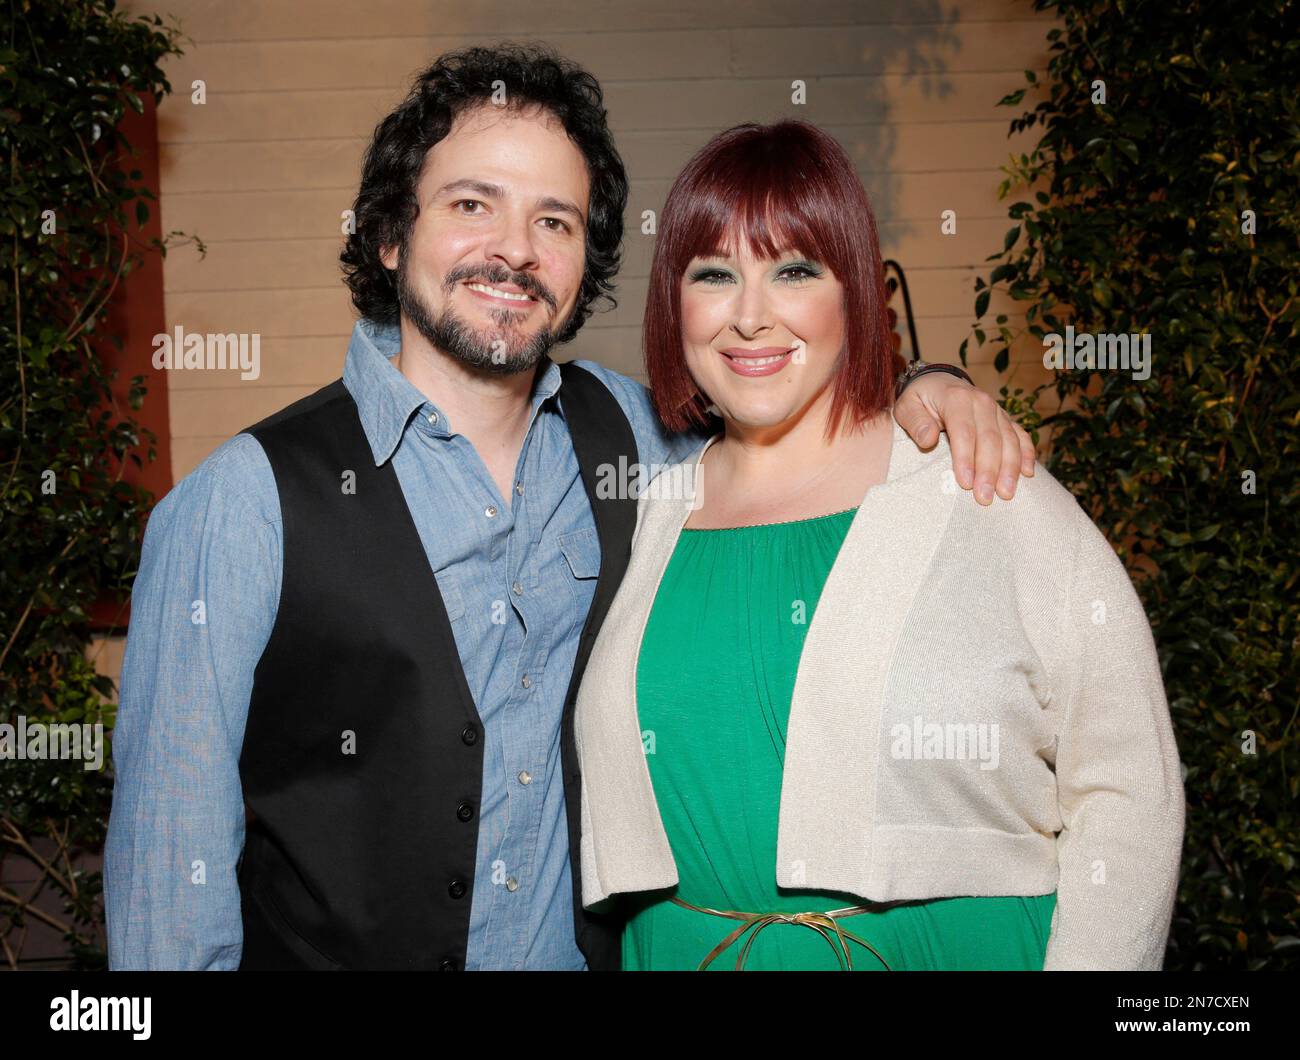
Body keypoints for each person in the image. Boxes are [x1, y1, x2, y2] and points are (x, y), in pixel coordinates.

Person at [104, 44, 1033, 971]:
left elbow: (793, 410)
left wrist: (929, 385)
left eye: (555, 220)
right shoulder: (242, 502)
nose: (514, 249)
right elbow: (168, 888)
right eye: (473, 205)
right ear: (391, 235)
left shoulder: (638, 437)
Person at [574, 119, 1186, 971]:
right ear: (674, 301)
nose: (751, 315)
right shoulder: (650, 508)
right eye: (714, 273)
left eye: (794, 270)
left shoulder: (980, 482)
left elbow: (1128, 782)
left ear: (853, 292)